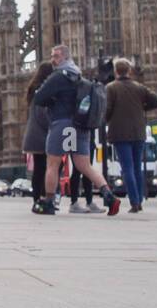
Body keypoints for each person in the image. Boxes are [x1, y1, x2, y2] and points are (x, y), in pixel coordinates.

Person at [32, 44, 121, 216]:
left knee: (53, 163)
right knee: (84, 165)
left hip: (63, 125)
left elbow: (38, 98)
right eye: (52, 56)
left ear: (65, 57)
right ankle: (109, 196)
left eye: (56, 56)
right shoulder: (79, 77)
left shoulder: (58, 76)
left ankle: (49, 202)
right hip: (80, 126)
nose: (53, 59)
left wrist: (51, 101)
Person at [104, 57, 157, 213]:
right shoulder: (139, 87)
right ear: (129, 71)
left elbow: (107, 109)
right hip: (138, 132)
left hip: (119, 133)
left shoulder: (111, 88)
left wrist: (105, 120)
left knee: (127, 168)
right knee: (137, 167)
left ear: (116, 71)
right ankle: (139, 199)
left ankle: (134, 202)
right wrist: (142, 108)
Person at [21, 61, 54, 213]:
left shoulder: (35, 89)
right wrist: (54, 127)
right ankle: (40, 199)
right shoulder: (42, 90)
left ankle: (39, 199)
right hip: (42, 134)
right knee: (45, 168)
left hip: (35, 134)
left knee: (41, 169)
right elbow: (42, 114)